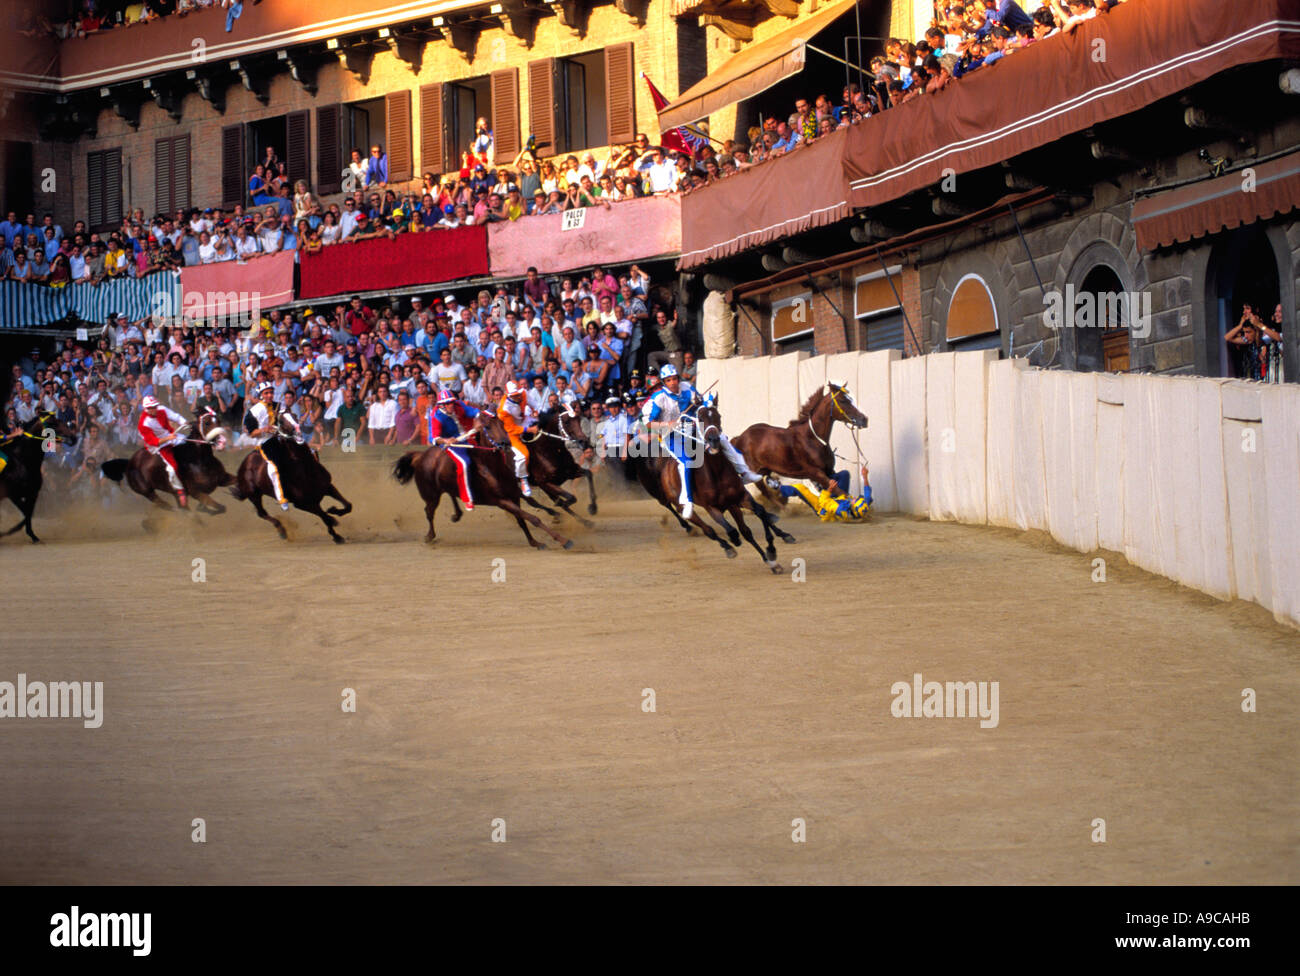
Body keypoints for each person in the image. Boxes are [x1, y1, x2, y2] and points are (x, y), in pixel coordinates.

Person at [643, 363, 699, 518]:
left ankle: (744, 471)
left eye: (675, 379)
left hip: (690, 428)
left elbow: (698, 404)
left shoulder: (687, 388)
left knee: (719, 440)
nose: (673, 382)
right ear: (664, 383)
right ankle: (686, 500)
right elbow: (648, 423)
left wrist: (700, 403)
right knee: (685, 461)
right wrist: (668, 424)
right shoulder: (658, 399)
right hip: (670, 435)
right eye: (669, 380)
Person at [243, 382, 297, 510]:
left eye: (271, 392)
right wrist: (264, 429)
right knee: (274, 468)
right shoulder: (254, 411)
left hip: (280, 438)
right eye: (266, 393)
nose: (269, 395)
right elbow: (252, 433)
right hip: (265, 443)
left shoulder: (279, 405)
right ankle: (281, 498)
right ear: (261, 395)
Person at [428, 389, 482, 510]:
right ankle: (467, 498)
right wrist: (446, 441)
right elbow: (434, 437)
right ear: (441, 405)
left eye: (451, 402)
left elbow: (476, 412)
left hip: (467, 437)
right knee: (464, 463)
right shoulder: (436, 416)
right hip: (452, 445)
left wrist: (477, 421)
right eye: (447, 403)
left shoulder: (459, 405)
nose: (451, 405)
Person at [138, 393, 191, 507]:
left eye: (155, 406)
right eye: (151, 408)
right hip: (159, 445)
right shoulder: (143, 423)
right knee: (172, 468)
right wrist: (168, 438)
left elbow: (176, 417)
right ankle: (180, 490)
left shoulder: (162, 409)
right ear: (146, 409)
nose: (154, 409)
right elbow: (153, 441)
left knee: (190, 443)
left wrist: (184, 422)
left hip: (171, 435)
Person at [495, 380, 535, 496]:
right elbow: (511, 428)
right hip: (513, 431)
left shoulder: (524, 393)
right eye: (514, 395)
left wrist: (536, 411)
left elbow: (534, 404)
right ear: (508, 395)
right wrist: (529, 430)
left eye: (518, 394)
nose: (518, 397)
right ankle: (523, 480)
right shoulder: (504, 409)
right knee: (523, 455)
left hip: (525, 419)